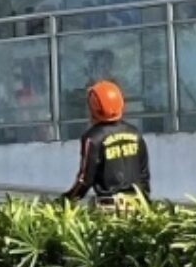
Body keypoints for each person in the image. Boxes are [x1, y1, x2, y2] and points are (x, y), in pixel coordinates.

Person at [59, 80, 151, 208]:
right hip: (137, 206)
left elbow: (85, 180)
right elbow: (144, 176)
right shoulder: (135, 133)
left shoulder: (92, 138)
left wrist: (66, 200)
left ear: (93, 109)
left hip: (108, 209)